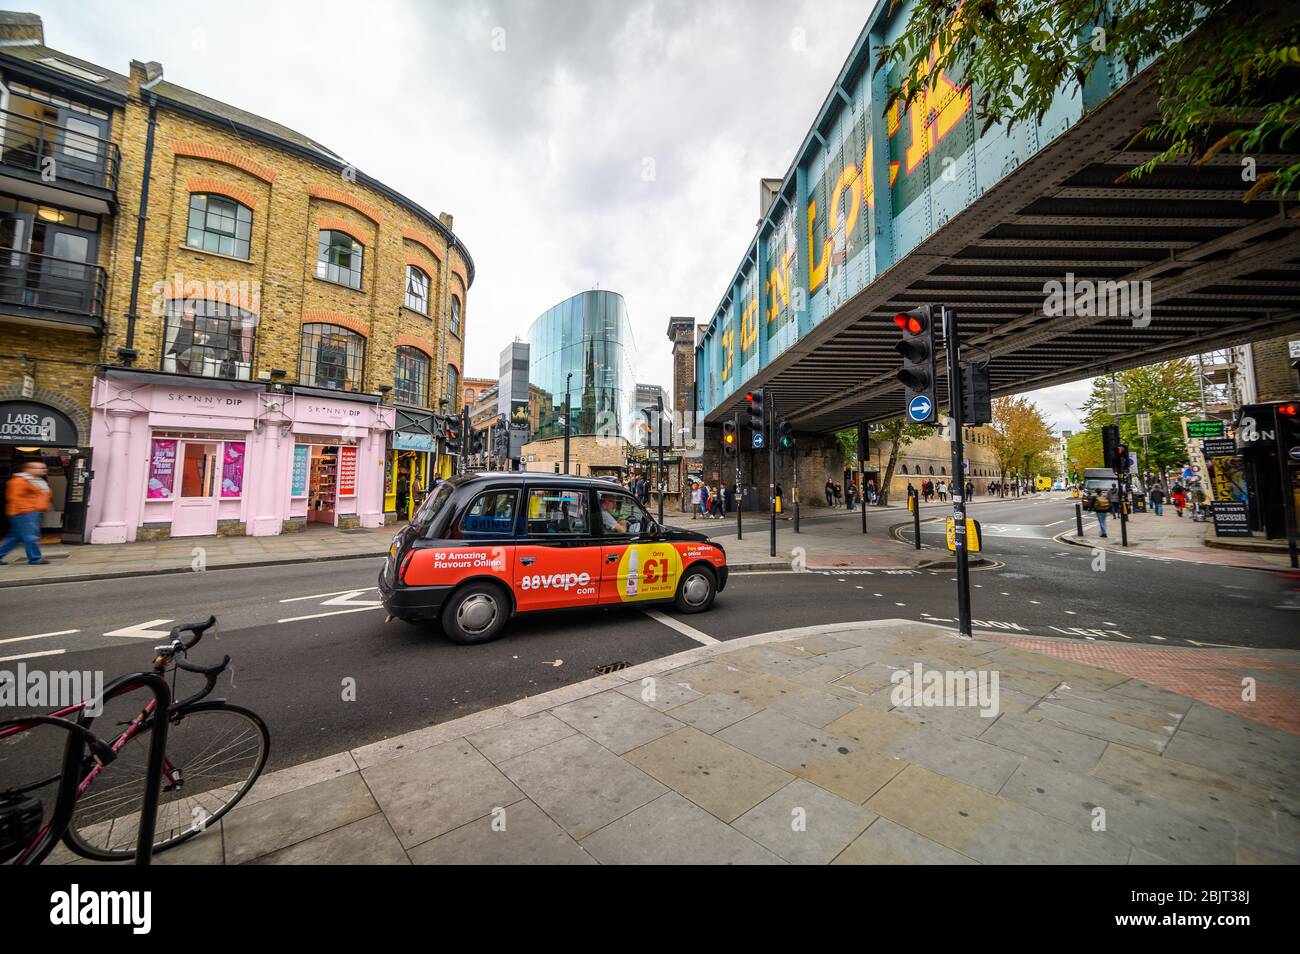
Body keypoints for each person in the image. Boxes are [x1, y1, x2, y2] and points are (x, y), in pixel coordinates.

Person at [0, 461, 52, 566]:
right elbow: (14, 498)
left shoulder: (35, 480)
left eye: (44, 468)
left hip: (31, 512)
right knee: (31, 536)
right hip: (24, 512)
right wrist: (27, 510)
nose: (44, 470)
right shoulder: (19, 481)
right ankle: (35, 558)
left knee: (15, 537)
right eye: (40, 468)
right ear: (29, 469)